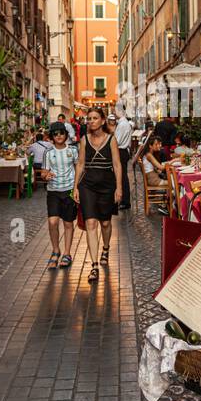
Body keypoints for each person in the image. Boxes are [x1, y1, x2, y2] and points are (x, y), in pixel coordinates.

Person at [73, 107, 123, 283]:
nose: (91, 121)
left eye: (94, 118)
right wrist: (75, 187)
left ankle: (106, 248)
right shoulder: (84, 140)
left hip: (107, 186)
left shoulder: (111, 139)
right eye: (89, 118)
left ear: (102, 121)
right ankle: (94, 266)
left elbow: (117, 165)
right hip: (88, 186)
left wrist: (119, 188)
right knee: (91, 223)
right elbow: (80, 164)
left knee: (106, 222)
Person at [42, 122, 78, 269]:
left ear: (65, 135)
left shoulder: (73, 150)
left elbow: (79, 168)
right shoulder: (48, 153)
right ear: (52, 136)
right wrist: (47, 175)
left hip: (69, 190)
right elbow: (43, 172)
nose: (59, 136)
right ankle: (56, 250)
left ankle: (67, 253)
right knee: (52, 222)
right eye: (55, 134)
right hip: (53, 192)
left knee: (68, 223)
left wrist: (77, 189)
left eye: (61, 133)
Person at [114, 107, 133, 210]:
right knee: (122, 176)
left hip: (121, 151)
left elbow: (116, 141)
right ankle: (123, 200)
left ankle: (125, 201)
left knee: (122, 177)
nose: (114, 112)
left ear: (120, 111)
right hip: (122, 151)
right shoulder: (123, 123)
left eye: (115, 110)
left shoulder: (123, 124)